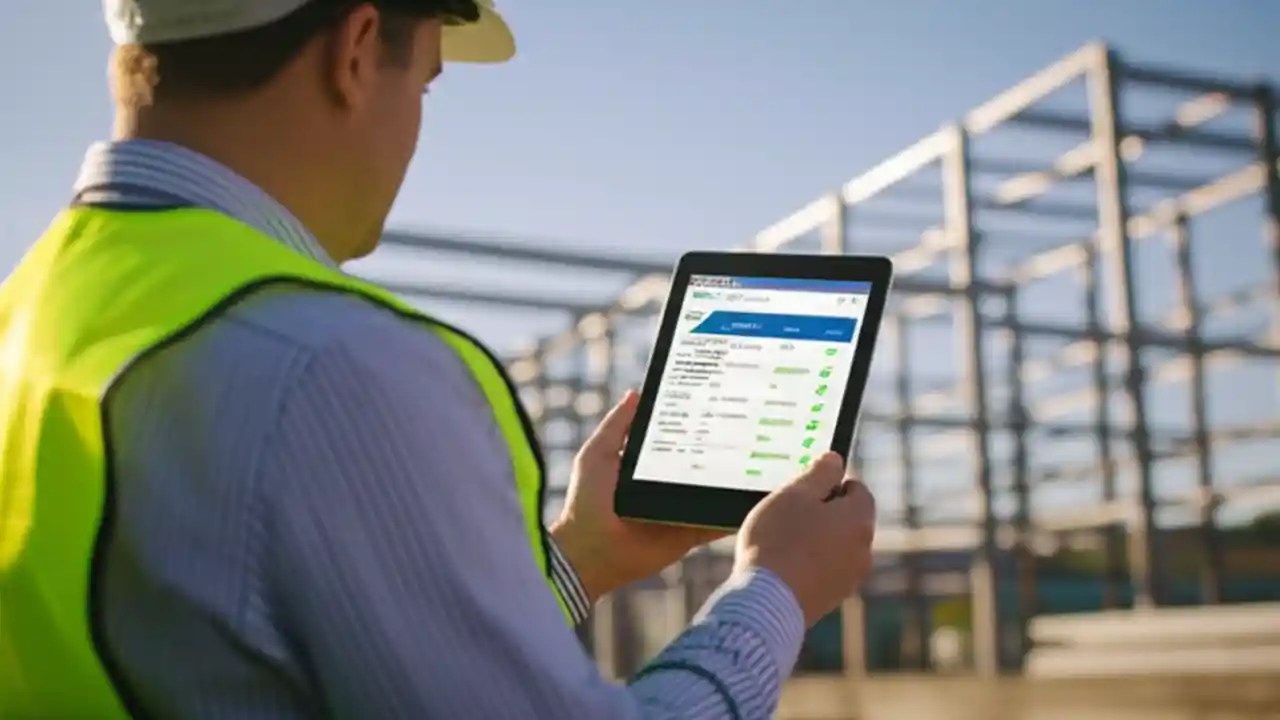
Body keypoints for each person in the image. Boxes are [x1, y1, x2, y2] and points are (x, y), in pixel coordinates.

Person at [0, 1, 877, 717]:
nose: (418, 128)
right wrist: (776, 591)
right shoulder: (335, 367)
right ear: (356, 48)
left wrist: (585, 556)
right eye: (426, 81)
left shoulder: (28, 314)